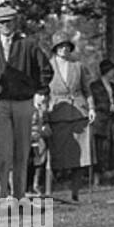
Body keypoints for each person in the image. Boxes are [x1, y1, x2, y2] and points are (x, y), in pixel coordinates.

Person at [0, 5, 51, 202]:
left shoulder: (28, 45)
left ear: (14, 23)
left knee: (22, 151)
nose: (6, 25)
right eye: (2, 22)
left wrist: (40, 92)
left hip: (23, 103)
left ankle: (19, 196)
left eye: (9, 21)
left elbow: (45, 70)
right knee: (1, 153)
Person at [45, 32, 96, 201]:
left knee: (81, 156)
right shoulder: (48, 66)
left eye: (66, 46)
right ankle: (50, 192)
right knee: (57, 156)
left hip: (79, 113)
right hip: (58, 114)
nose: (64, 49)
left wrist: (91, 108)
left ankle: (76, 192)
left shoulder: (78, 66)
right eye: (60, 46)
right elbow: (44, 92)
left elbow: (87, 89)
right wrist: (44, 116)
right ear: (55, 49)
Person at [89, 58, 114, 186]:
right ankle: (97, 178)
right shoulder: (94, 86)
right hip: (101, 121)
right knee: (100, 148)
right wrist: (107, 107)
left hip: (113, 121)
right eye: (112, 70)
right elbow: (94, 102)